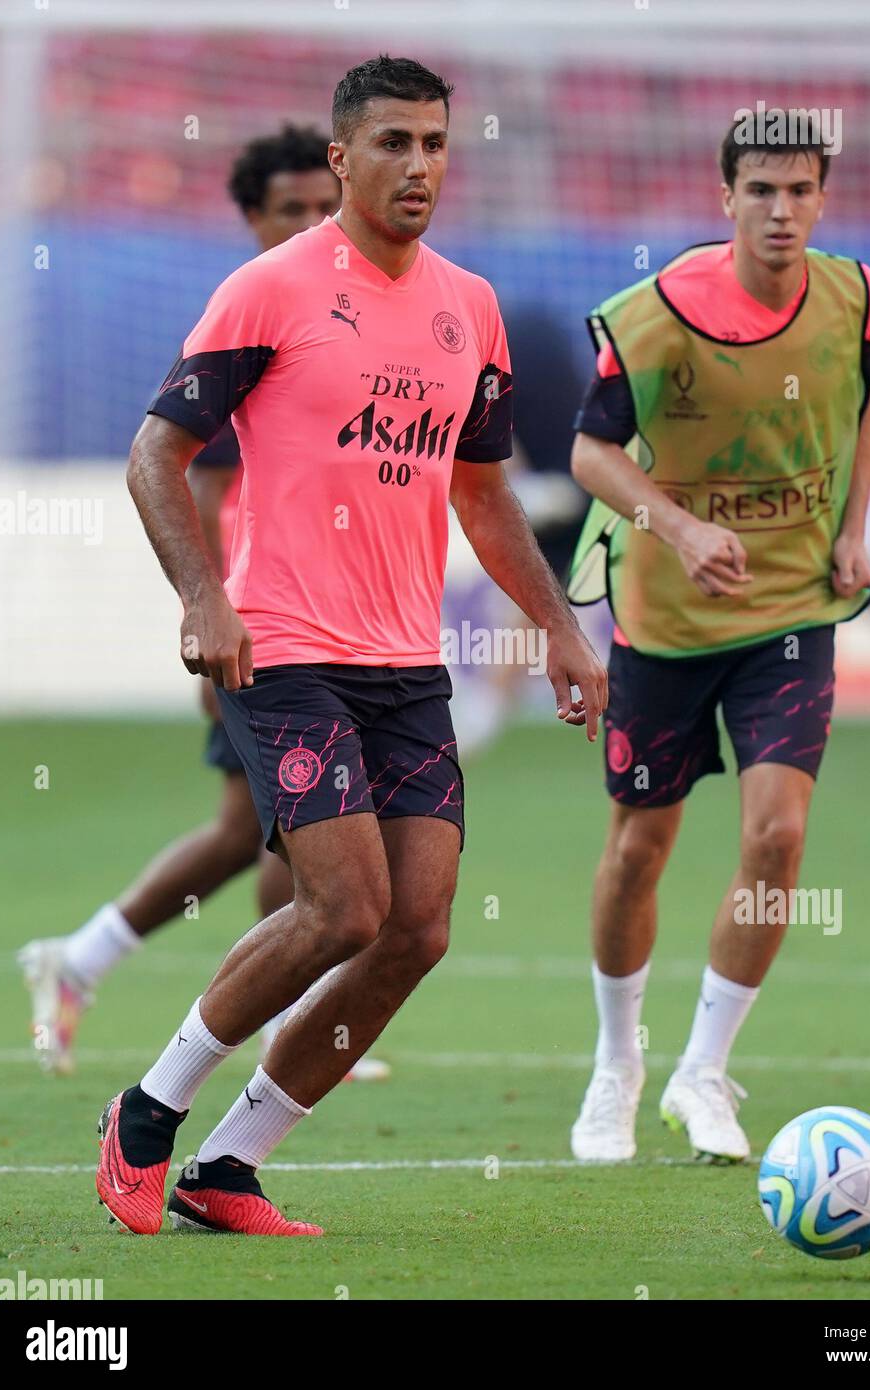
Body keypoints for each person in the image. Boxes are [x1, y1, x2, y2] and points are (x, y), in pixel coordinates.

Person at [96, 54, 606, 1236]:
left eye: (434, 143)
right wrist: (202, 596)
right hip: (283, 644)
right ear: (340, 159)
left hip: (403, 657)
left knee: (419, 924)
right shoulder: (268, 289)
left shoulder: (469, 307)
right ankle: (148, 1107)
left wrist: (562, 627)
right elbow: (153, 455)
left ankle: (229, 1169)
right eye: (392, 143)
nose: (418, 164)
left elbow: (483, 495)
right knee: (344, 907)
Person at [16, 127, 392, 1079]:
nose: (315, 224)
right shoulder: (250, 322)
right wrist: (211, 613)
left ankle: (84, 959)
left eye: (324, 206)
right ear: (251, 218)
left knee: (252, 830)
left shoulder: (341, 317)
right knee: (293, 836)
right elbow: (196, 486)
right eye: (292, 210)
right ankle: (280, 1015)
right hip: (267, 627)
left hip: (327, 622)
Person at [567, 113, 870, 1163]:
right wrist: (683, 524)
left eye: (800, 190)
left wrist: (851, 526)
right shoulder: (656, 319)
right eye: (761, 191)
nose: (782, 210)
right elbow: (589, 455)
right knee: (637, 848)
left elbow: (866, 401)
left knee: (778, 836)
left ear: (822, 197)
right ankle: (618, 1063)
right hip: (665, 616)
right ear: (727, 196)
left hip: (789, 611)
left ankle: (704, 1070)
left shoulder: (857, 297)